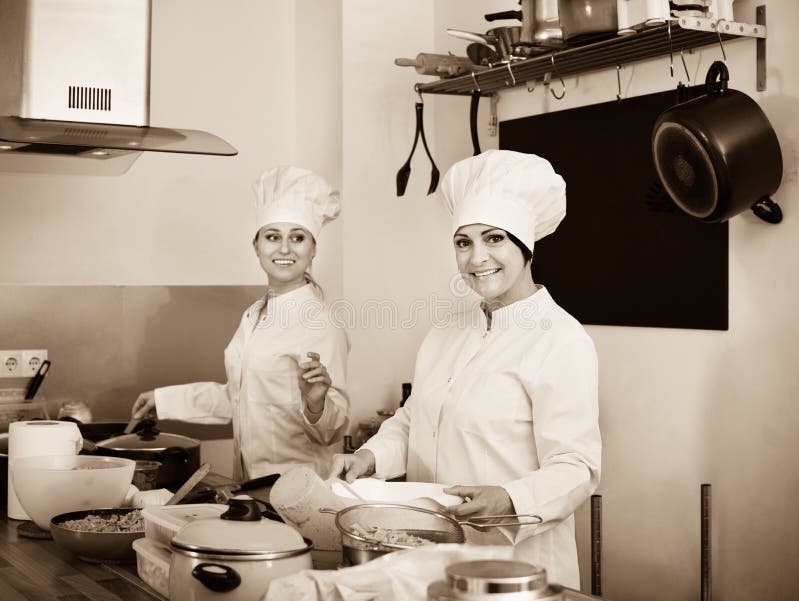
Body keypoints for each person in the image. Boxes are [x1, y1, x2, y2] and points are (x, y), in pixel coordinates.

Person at [328, 149, 601, 588]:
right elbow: (416, 417)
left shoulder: (560, 339)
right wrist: (370, 456)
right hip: (432, 556)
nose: (477, 259)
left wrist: (510, 498)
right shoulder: (447, 330)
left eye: (495, 239)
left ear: (525, 246)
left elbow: (577, 466)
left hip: (516, 568)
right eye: (464, 242)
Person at [132, 166, 350, 479]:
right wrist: (162, 400)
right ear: (257, 246)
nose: (284, 248)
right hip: (252, 488)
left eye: (298, 237)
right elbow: (239, 398)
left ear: (313, 248)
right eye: (273, 237)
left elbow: (333, 429)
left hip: (300, 492)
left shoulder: (320, 323)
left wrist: (316, 405)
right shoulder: (255, 315)